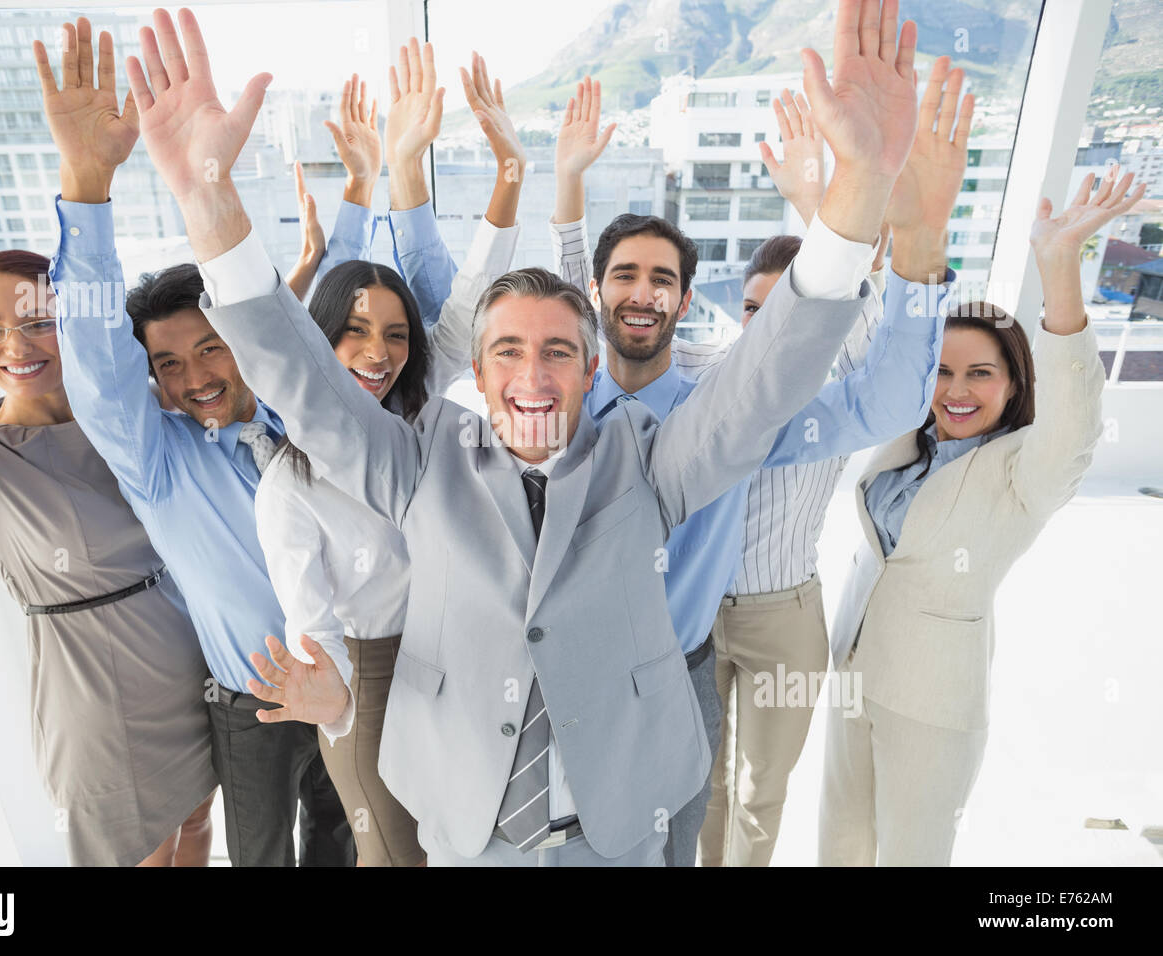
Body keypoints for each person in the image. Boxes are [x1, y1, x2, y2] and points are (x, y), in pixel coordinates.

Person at [125, 1, 915, 865]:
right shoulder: (421, 463)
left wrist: (861, 189)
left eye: (556, 352)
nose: (532, 375)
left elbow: (765, 384)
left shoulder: (649, 458)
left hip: (618, 831)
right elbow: (301, 381)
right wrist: (207, 195)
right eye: (507, 350)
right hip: (468, 830)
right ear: (480, 372)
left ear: (589, 369)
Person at [549, 52, 968, 866]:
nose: (643, 292)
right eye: (624, 276)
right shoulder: (554, 405)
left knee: (689, 829)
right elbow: (563, 296)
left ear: (684, 297)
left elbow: (879, 400)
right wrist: (567, 184)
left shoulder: (729, 409)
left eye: (663, 279)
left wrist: (917, 241)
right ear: (596, 294)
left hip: (686, 667)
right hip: (572, 669)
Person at [33, 16, 351, 867]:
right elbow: (98, 369)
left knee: (346, 840)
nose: (195, 377)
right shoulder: (161, 459)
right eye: (167, 365)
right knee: (259, 857)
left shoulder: (314, 420)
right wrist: (89, 184)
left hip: (352, 681)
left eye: (210, 346)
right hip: (247, 704)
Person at [819, 165, 1143, 866]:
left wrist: (1060, 269)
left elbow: (1074, 424)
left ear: (1015, 381)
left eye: (980, 373)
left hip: (931, 708)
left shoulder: (1025, 469)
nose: (956, 391)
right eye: (942, 370)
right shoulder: (907, 438)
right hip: (851, 676)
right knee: (838, 851)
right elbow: (873, 353)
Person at [251, 46, 526, 867]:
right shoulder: (288, 483)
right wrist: (334, 703)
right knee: (396, 855)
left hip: (455, 653)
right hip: (368, 682)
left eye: (396, 334)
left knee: (467, 839)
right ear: (319, 343)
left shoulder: (420, 406)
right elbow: (315, 622)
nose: (378, 353)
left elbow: (479, 286)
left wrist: (504, 169)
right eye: (355, 332)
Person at [698, 57, 973, 868]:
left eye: (778, 309)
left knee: (762, 787)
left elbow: (874, 328)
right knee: (702, 779)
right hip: (697, 615)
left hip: (786, 618)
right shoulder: (704, 382)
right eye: (751, 308)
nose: (763, 322)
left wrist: (822, 201)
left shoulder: (830, 394)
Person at [0, 245, 216, 866]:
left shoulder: (130, 410)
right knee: (144, 852)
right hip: (106, 708)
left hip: (198, 666)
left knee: (195, 823)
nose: (17, 348)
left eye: (37, 322)